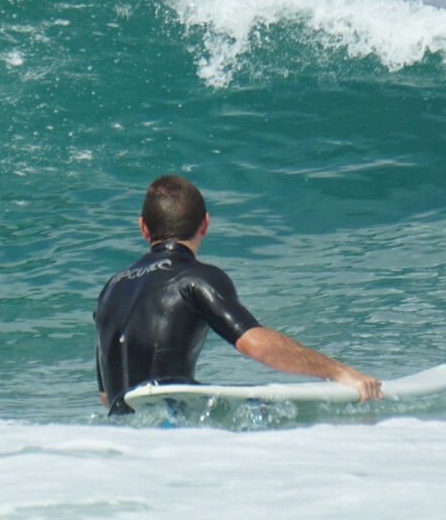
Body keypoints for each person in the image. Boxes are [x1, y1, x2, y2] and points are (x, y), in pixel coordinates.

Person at [94, 174, 383, 415]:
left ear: (143, 227)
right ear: (205, 224)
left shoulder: (110, 290)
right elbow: (256, 345)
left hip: (126, 438)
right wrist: (340, 372)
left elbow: (108, 397)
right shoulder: (196, 277)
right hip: (173, 432)